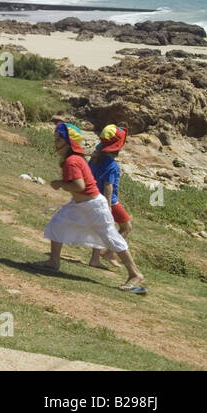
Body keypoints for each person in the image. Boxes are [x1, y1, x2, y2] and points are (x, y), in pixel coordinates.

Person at [35, 122, 145, 293]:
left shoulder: (72, 161)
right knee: (57, 224)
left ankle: (135, 274)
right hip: (82, 205)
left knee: (112, 238)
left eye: (59, 139)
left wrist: (60, 183)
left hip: (93, 206)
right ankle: (53, 262)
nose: (55, 142)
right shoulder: (77, 159)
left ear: (69, 142)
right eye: (55, 138)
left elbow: (79, 186)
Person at [88, 124, 132, 270]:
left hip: (93, 198)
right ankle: (109, 253)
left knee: (101, 229)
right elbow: (108, 186)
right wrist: (107, 207)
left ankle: (95, 258)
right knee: (126, 227)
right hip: (109, 202)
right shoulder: (112, 166)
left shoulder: (94, 159)